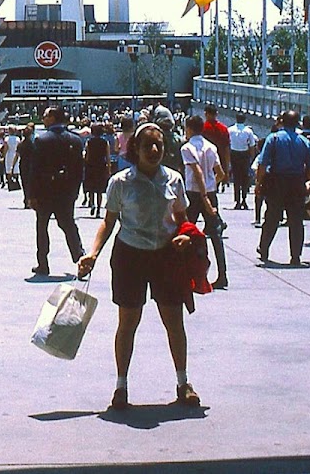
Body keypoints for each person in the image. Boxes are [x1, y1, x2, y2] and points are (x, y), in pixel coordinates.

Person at [77, 123, 200, 410]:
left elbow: (182, 217)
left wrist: (184, 233)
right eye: (148, 146)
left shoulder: (174, 180)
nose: (154, 150)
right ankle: (121, 386)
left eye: (158, 145)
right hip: (130, 256)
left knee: (174, 321)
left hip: (166, 256)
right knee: (128, 322)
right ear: (136, 149)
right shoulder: (120, 182)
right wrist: (92, 253)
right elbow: (108, 221)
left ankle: (183, 383)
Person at [255, 110, 310, 266]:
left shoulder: (273, 138)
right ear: (298, 124)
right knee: (296, 220)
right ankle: (295, 255)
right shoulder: (304, 141)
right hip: (296, 182)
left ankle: (264, 249)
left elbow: (263, 164)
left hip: (277, 181)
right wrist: (309, 183)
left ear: (282, 121)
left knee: (272, 217)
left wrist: (258, 183)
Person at [28, 106, 85, 276]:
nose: (43, 118)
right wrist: (75, 191)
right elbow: (79, 170)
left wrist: (31, 195)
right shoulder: (75, 140)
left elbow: (35, 170)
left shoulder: (41, 140)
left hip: (45, 192)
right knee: (68, 225)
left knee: (42, 226)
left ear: (52, 118)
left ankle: (43, 264)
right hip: (66, 192)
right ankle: (80, 259)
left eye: (45, 116)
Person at [181, 115, 226, 288]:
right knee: (215, 235)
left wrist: (203, 195)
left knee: (185, 231)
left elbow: (197, 171)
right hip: (211, 192)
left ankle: (184, 273)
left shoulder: (187, 148)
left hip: (194, 194)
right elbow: (220, 173)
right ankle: (222, 274)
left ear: (189, 129)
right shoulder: (210, 147)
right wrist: (211, 184)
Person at [228, 113, 258, 210]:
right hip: (244, 155)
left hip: (234, 154)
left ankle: (237, 200)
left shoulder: (230, 130)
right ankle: (244, 199)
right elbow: (252, 146)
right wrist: (252, 158)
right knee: (245, 179)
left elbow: (228, 145)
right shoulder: (248, 131)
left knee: (236, 179)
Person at [83, 124, 111, 217]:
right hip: (101, 166)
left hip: (91, 166)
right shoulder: (105, 142)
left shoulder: (89, 142)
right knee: (99, 190)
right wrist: (108, 169)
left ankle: (92, 204)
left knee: (91, 188)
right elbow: (107, 157)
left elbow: (87, 156)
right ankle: (99, 209)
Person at [17, 123, 35, 209]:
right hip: (31, 164)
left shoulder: (21, 144)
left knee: (24, 183)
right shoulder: (33, 144)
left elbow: (17, 155)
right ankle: (29, 200)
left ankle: (26, 199)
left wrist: (12, 167)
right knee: (31, 183)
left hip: (23, 164)